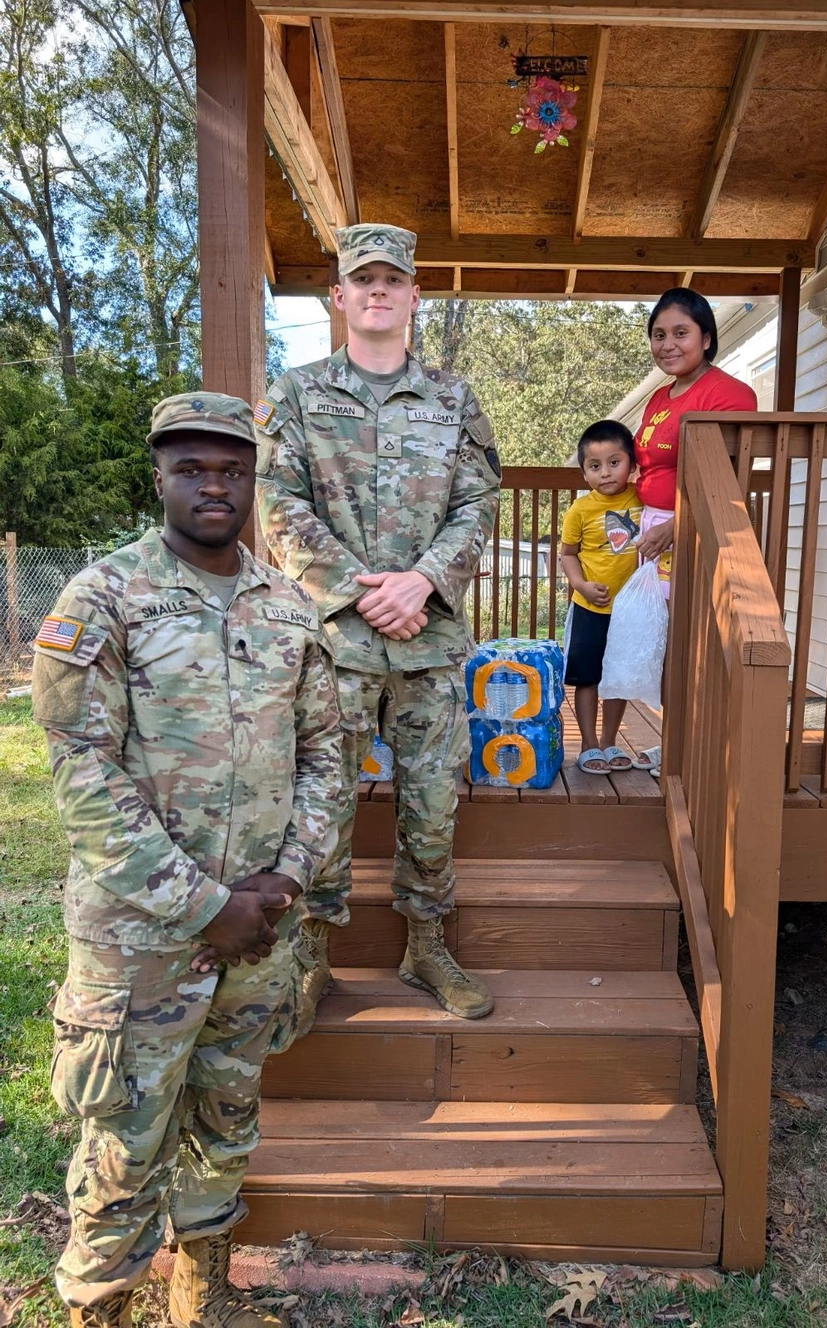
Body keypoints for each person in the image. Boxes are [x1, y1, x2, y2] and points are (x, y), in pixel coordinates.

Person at [32, 393, 342, 1328]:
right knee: (125, 1143)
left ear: (253, 480)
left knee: (227, 1120)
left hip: (261, 928)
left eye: (232, 469)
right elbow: (81, 772)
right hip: (143, 941)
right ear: (160, 475)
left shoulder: (289, 605)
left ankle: (199, 1300)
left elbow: (326, 753)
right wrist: (205, 903)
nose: (215, 485)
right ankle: (101, 1307)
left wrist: (286, 879)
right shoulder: (103, 596)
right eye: (192, 468)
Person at [255, 223, 501, 1020]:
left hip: (428, 643)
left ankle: (427, 948)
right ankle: (312, 956)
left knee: (431, 805)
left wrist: (423, 581)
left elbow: (477, 500)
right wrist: (363, 591)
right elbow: (277, 501)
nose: (379, 291)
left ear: (414, 295)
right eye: (364, 279)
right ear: (339, 297)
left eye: (393, 279)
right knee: (320, 804)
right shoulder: (296, 394)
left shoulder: (456, 399)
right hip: (336, 643)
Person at [631, 288, 757, 775]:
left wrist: (678, 527)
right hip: (655, 534)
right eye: (658, 335)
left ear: (706, 337)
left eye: (680, 333)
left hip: (699, 534)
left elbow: (730, 484)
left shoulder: (729, 395)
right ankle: (677, 739)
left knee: (696, 645)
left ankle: (702, 747)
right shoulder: (661, 397)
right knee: (667, 642)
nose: (667, 344)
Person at [560, 420, 642, 775]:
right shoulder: (580, 510)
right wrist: (580, 585)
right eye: (595, 466)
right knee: (587, 677)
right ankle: (589, 744)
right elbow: (567, 553)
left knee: (619, 676)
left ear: (633, 465)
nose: (606, 473)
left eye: (614, 462)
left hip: (630, 610)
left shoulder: (643, 498)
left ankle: (610, 741)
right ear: (584, 473)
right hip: (590, 607)